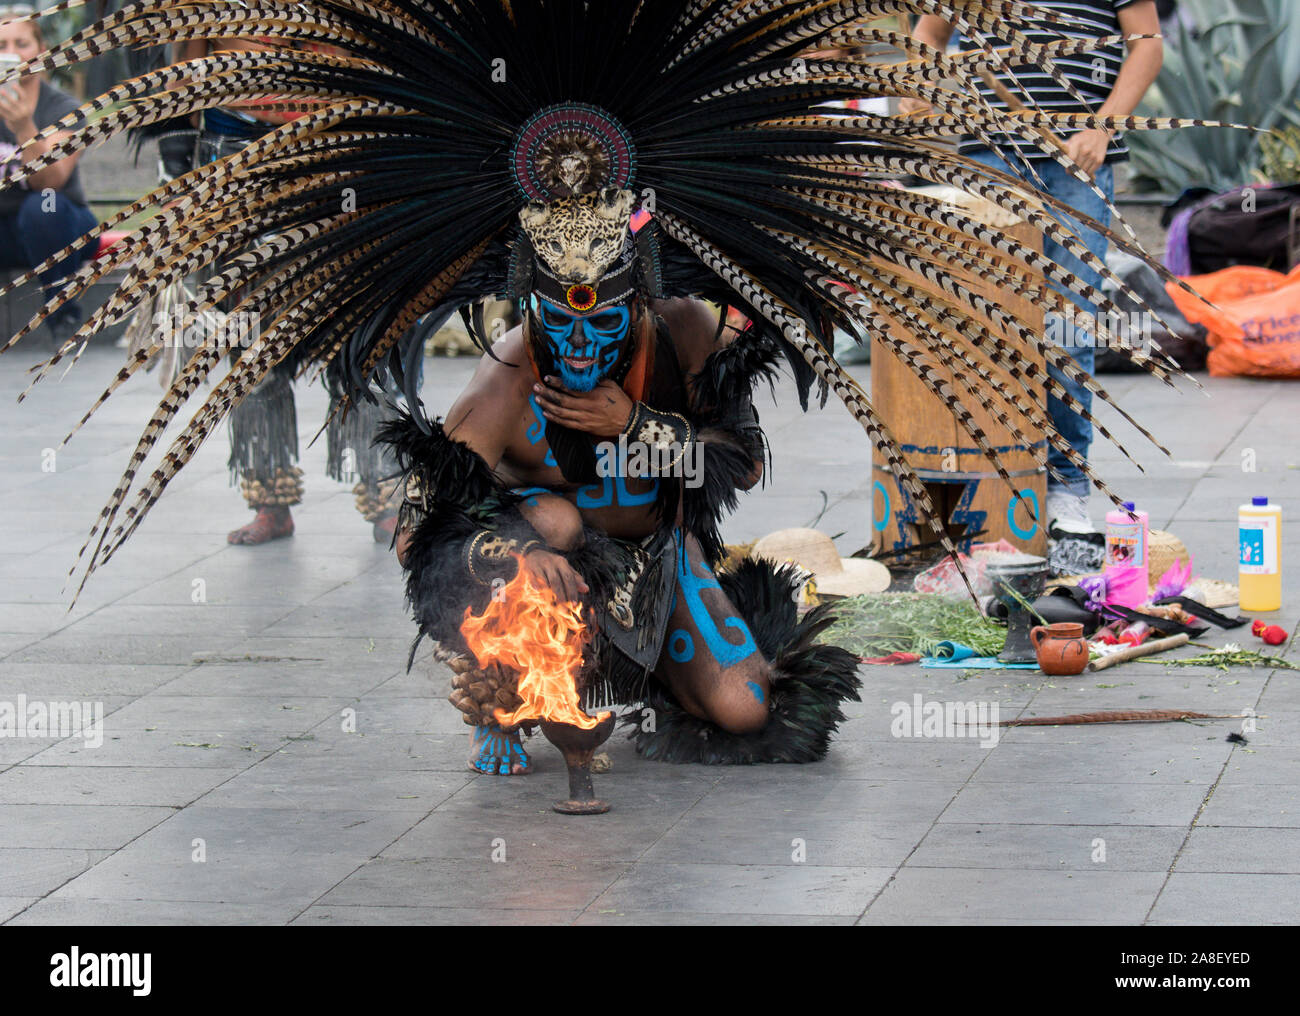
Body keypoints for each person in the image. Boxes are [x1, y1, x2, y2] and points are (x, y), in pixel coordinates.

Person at [4, 1, 1197, 780]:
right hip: (549, 574)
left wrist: (648, 426)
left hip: (664, 561)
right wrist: (486, 604)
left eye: (600, 295)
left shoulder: (677, 331)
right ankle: (519, 687)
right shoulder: (509, 379)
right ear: (529, 289)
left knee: (749, 717)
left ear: (637, 273)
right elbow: (432, 515)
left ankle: (651, 662)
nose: (581, 322)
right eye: (558, 300)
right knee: (551, 527)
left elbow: (741, 465)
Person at [900, 1, 1165, 575]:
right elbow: (930, 30)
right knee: (990, 322)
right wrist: (919, 84)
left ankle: (1067, 496)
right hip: (990, 158)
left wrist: (1102, 125)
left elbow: (1147, 42)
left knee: (1068, 323)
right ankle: (995, 492)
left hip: (1077, 165)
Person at [0, 6, 97, 346]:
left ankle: (63, 315)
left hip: (61, 226)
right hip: (6, 231)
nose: (12, 55)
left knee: (43, 205)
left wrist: (24, 127)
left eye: (21, 44)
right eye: (2, 46)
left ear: (40, 50)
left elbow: (51, 181)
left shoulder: (62, 108)